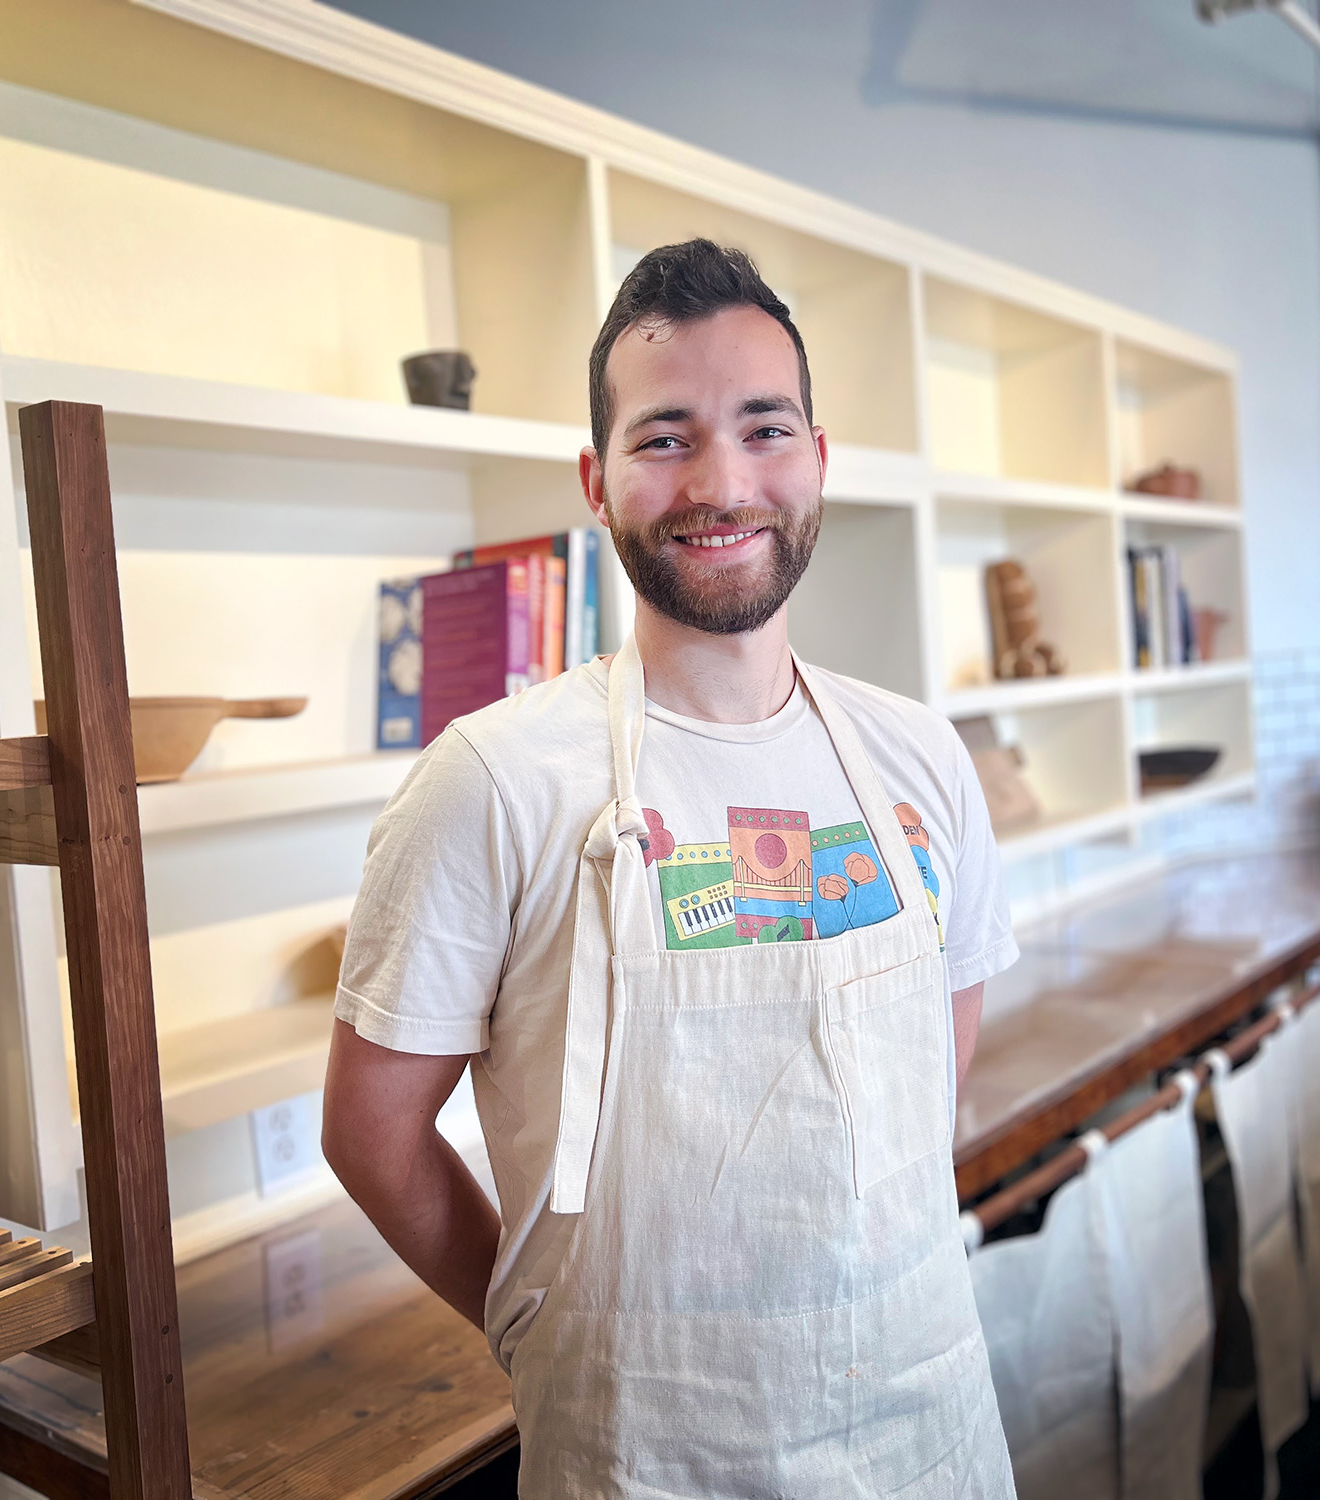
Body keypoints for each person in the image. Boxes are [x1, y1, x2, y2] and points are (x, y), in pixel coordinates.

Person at [323, 238, 1018, 1497]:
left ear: (817, 458)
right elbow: (371, 1133)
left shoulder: (918, 756)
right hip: (644, 1458)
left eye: (763, 429)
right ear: (595, 481)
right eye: (663, 439)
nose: (720, 481)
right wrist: (534, 1323)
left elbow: (933, 1073)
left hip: (929, 1432)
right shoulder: (493, 780)